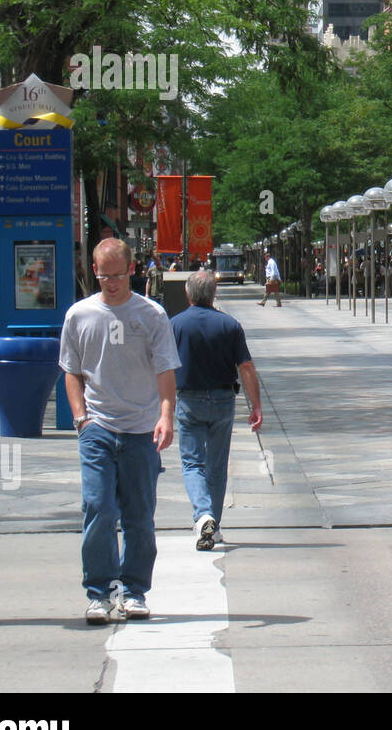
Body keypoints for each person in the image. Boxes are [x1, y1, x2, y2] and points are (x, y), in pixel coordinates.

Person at [60, 238, 178, 624]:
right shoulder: (79, 315)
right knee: (98, 507)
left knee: (138, 515)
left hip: (141, 428)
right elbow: (71, 371)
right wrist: (81, 419)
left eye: (117, 275)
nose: (111, 283)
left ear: (131, 270)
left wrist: (166, 416)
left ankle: (134, 591)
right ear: (93, 271)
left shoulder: (152, 315)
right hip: (97, 426)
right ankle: (100, 592)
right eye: (103, 276)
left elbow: (165, 369)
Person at [171, 272, 262, 550]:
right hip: (223, 400)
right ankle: (214, 526)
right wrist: (255, 404)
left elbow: (162, 367)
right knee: (217, 465)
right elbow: (246, 366)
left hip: (189, 400)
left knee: (192, 463)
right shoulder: (230, 325)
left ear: (188, 294)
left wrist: (158, 406)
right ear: (214, 294)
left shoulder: (175, 325)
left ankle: (203, 515)